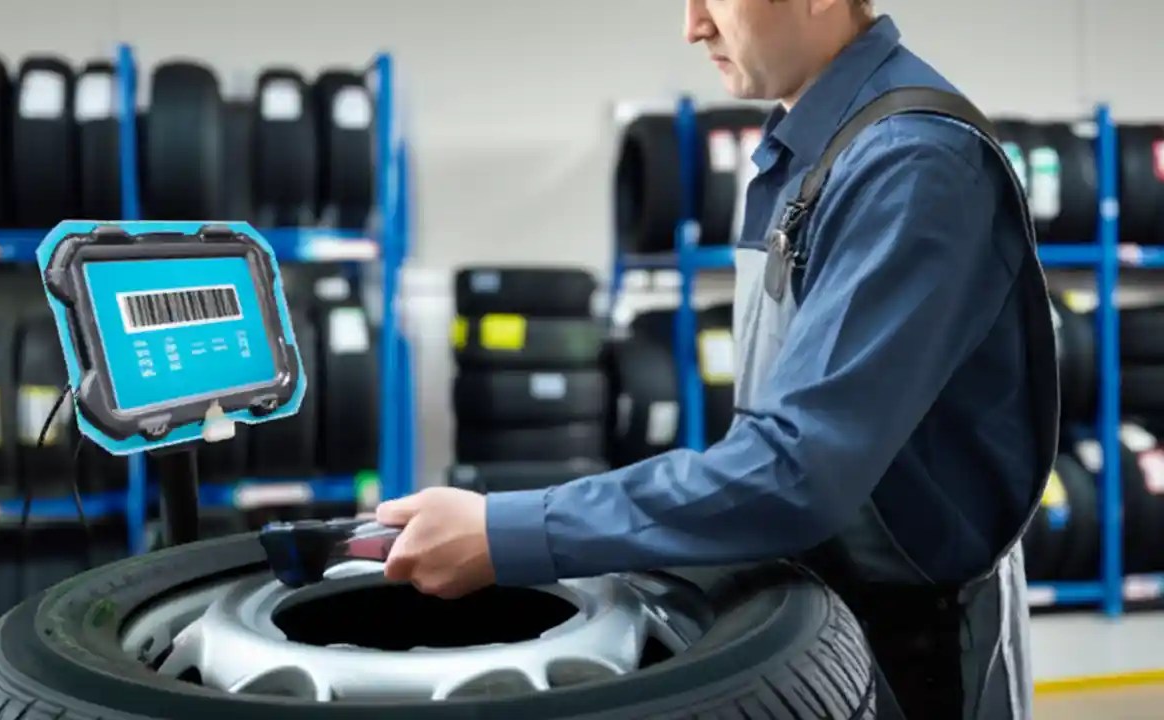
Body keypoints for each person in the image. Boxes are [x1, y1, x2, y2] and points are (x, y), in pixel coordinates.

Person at [374, 2, 1058, 718]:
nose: (692, 27)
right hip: (828, 609)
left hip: (916, 651)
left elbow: (797, 470)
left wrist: (508, 534)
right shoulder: (807, 149)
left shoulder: (913, 164)